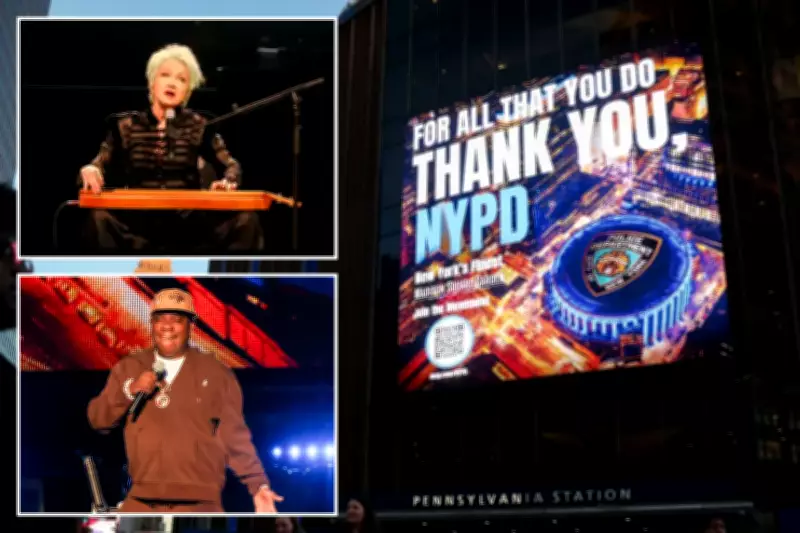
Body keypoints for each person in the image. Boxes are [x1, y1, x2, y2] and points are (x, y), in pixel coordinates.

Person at [87, 287, 283, 513]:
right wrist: (130, 391)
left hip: (201, 504)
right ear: (152, 323)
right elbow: (98, 420)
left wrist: (258, 485)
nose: (167, 327)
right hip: (142, 500)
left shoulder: (216, 373)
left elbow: (234, 436)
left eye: (177, 320)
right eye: (160, 319)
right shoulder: (130, 367)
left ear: (191, 325)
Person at [79, 44, 263, 254]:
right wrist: (92, 169)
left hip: (189, 227)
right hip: (137, 225)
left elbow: (231, 164)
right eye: (165, 75)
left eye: (182, 79)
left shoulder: (200, 125)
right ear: (152, 82)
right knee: (98, 219)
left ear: (188, 90)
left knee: (246, 219)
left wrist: (228, 181)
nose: (172, 83)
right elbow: (100, 161)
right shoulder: (125, 126)